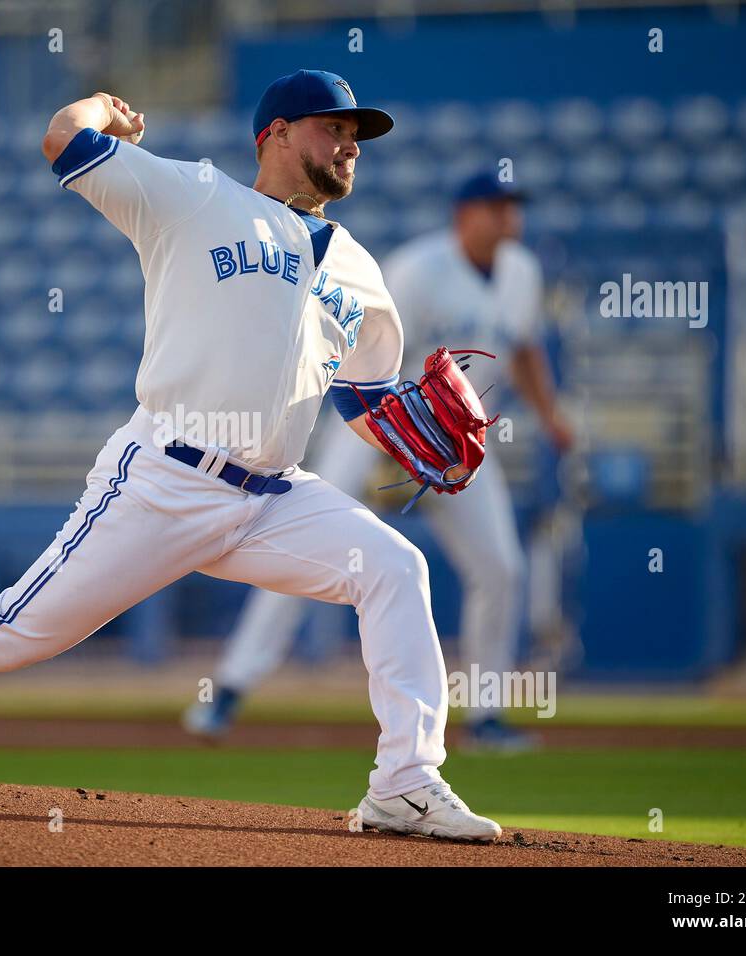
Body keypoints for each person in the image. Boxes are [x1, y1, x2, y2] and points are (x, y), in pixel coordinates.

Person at [0, 71, 502, 841]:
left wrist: (417, 442)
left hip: (272, 497)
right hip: (164, 480)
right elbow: (61, 140)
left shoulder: (362, 272)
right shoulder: (195, 197)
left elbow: (364, 399)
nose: (349, 144)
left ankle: (405, 782)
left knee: (395, 566)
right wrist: (103, 108)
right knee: (14, 627)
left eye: (357, 135)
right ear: (274, 133)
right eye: (332, 127)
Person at [183, 171, 574, 751]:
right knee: (304, 550)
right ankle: (233, 689)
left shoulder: (521, 272)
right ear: (464, 214)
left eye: (513, 207)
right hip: (376, 427)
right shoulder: (419, 269)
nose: (508, 218)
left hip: (455, 443)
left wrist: (551, 415)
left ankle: (486, 714)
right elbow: (362, 346)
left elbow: (524, 349)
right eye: (496, 206)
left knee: (501, 567)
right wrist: (389, 434)